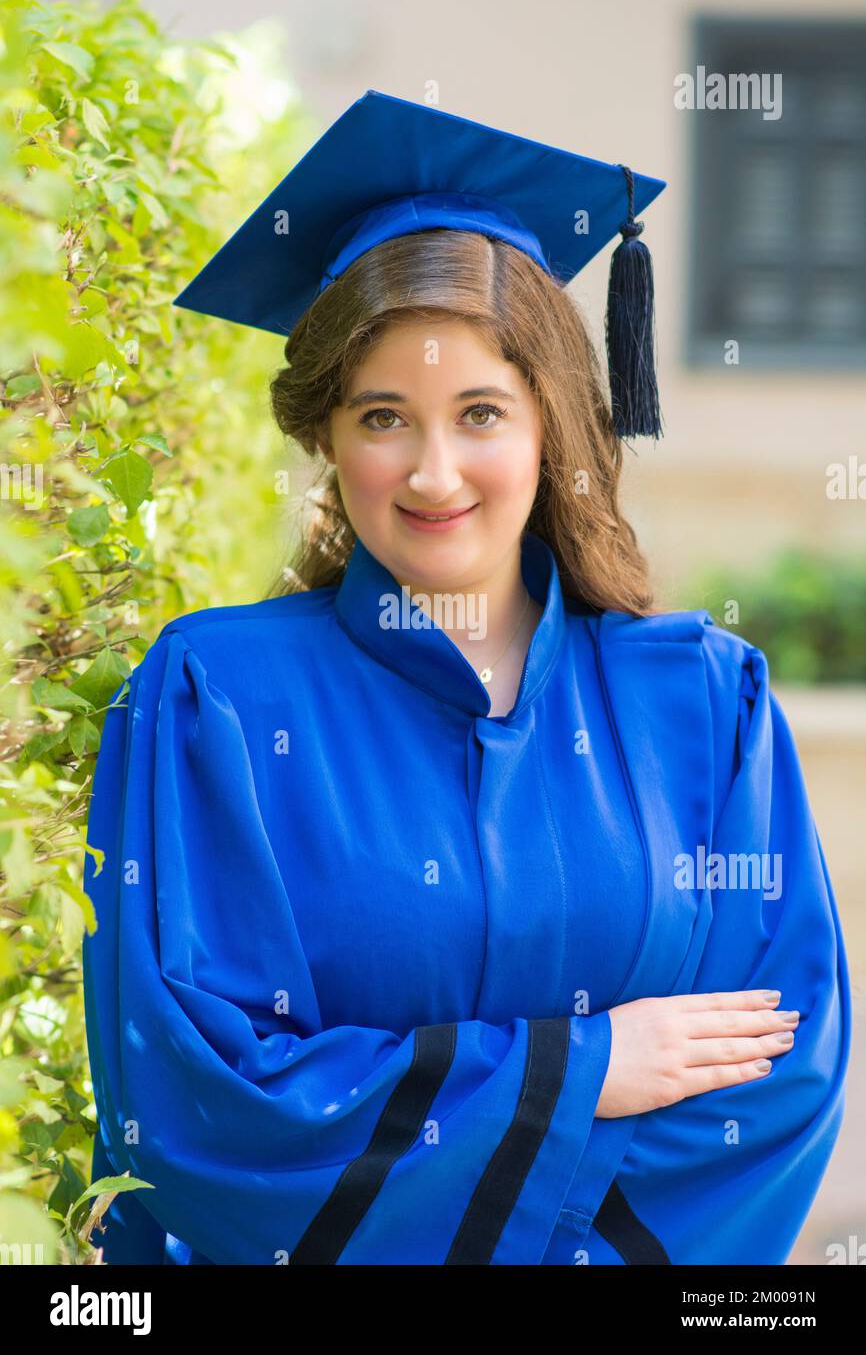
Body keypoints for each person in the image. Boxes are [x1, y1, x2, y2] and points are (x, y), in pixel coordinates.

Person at [82, 91, 850, 1266]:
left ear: (552, 424)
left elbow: (774, 1074)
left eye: (479, 412)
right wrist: (581, 1070)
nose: (433, 472)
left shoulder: (700, 704)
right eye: (383, 415)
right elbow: (199, 1101)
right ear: (326, 438)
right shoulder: (212, 701)